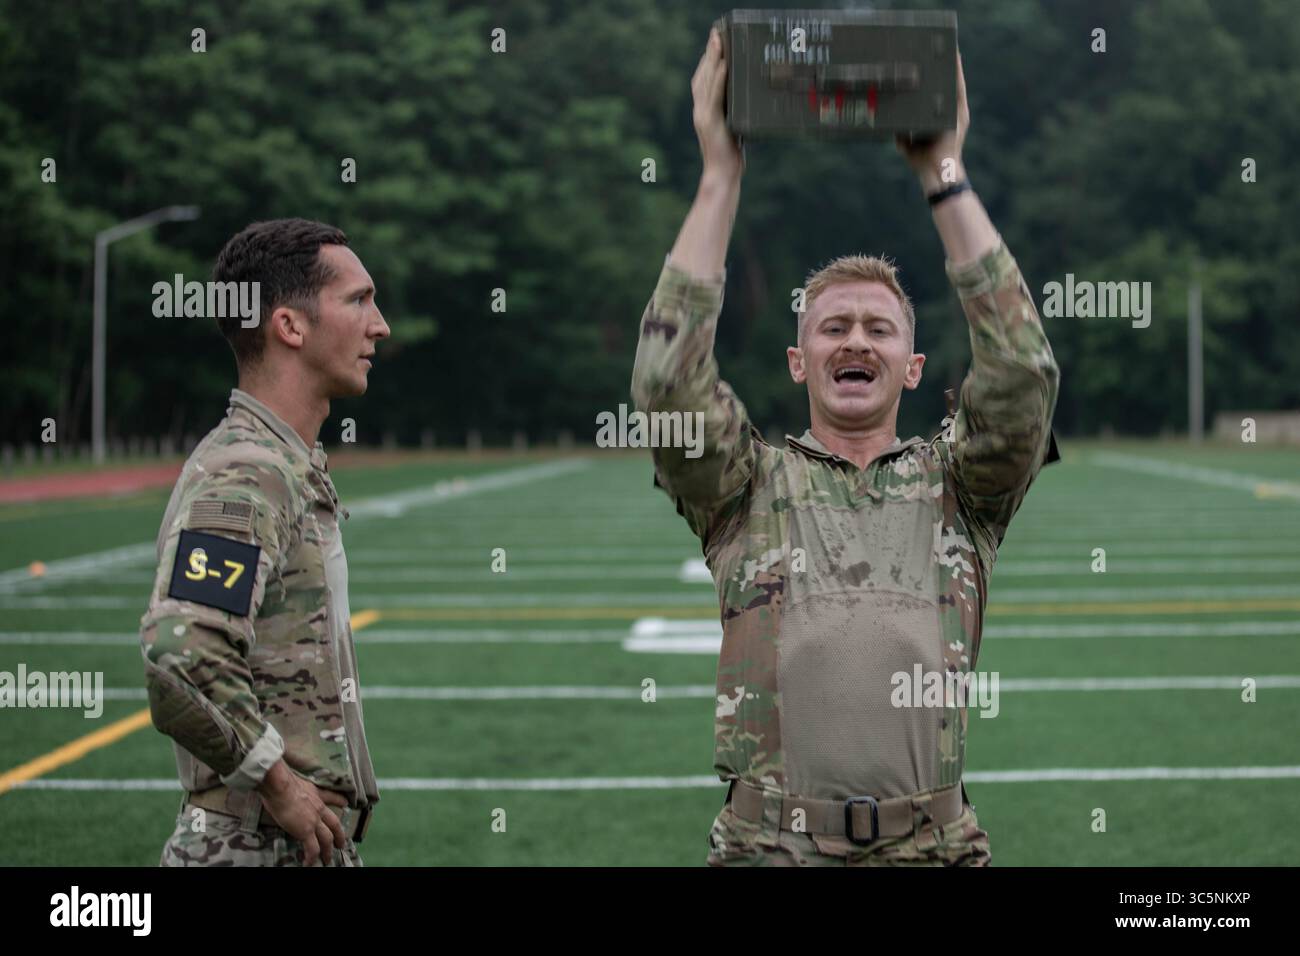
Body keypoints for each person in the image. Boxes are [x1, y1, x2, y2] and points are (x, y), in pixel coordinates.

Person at [631, 31, 1060, 865]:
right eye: (833, 326)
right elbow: (664, 386)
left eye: (878, 328)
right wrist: (721, 175)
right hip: (767, 847)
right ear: (799, 361)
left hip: (933, 848)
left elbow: (1023, 377)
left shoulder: (960, 486)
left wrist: (945, 174)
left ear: (912, 365)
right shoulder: (744, 487)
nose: (854, 340)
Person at [139, 218, 389, 866]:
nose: (380, 325)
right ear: (290, 326)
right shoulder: (249, 471)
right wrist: (276, 780)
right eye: (359, 300)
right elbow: (180, 647)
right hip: (250, 847)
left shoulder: (287, 463)